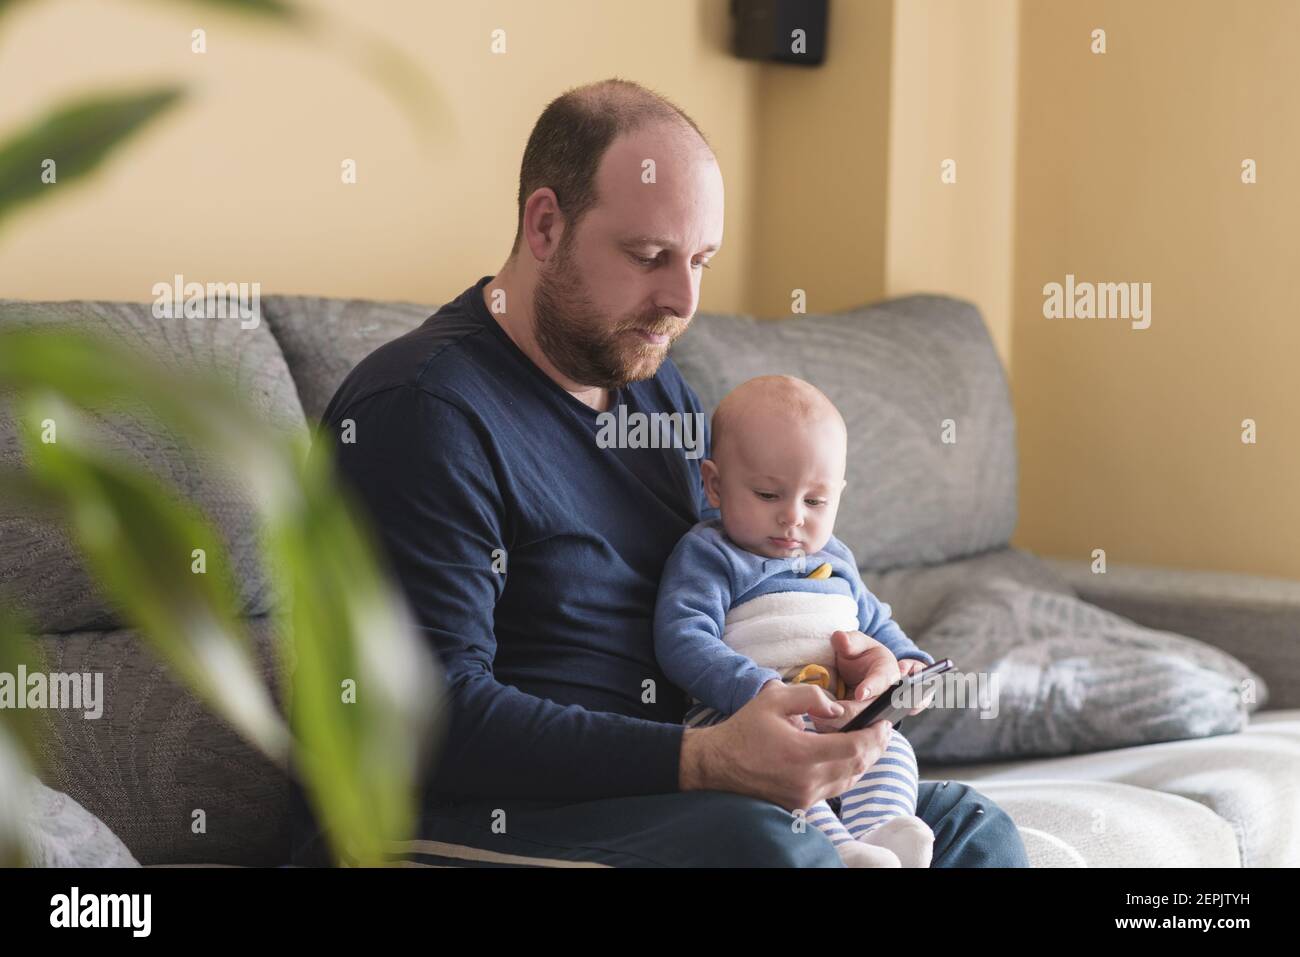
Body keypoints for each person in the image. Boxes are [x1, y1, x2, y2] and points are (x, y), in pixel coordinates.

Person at [289, 77, 1029, 868]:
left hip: (659, 792)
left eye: (702, 260)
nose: (682, 299)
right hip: (455, 814)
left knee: (973, 832)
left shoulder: (656, 392)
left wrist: (856, 673)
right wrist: (703, 761)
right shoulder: (423, 409)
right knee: (764, 852)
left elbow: (744, 579)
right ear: (545, 225)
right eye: (649, 257)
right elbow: (422, 720)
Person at [655, 374, 936, 867]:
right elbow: (682, 636)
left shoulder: (838, 558)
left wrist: (909, 665)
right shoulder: (711, 553)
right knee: (782, 776)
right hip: (741, 717)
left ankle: (880, 833)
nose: (792, 518)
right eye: (768, 496)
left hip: (839, 713)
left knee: (891, 750)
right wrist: (757, 689)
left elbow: (876, 621)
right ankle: (837, 849)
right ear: (715, 485)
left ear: (839, 496)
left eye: (814, 501)